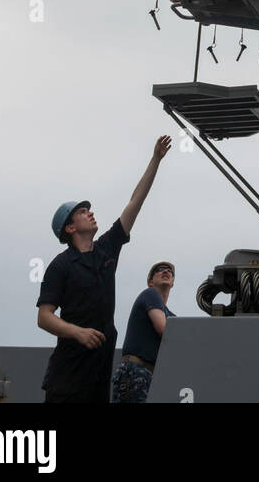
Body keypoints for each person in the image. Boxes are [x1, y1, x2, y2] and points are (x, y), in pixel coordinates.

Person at [36, 135, 172, 404]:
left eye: (89, 209)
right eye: (82, 211)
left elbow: (135, 203)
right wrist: (77, 332)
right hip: (68, 377)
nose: (90, 212)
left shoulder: (107, 249)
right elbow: (44, 317)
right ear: (70, 228)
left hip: (100, 371)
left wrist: (155, 160)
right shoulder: (60, 265)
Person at [111, 261, 176, 404]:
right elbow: (163, 329)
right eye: (160, 270)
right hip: (135, 372)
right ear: (150, 282)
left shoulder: (170, 316)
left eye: (169, 271)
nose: (165, 271)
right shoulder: (150, 294)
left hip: (151, 376)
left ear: (172, 283)